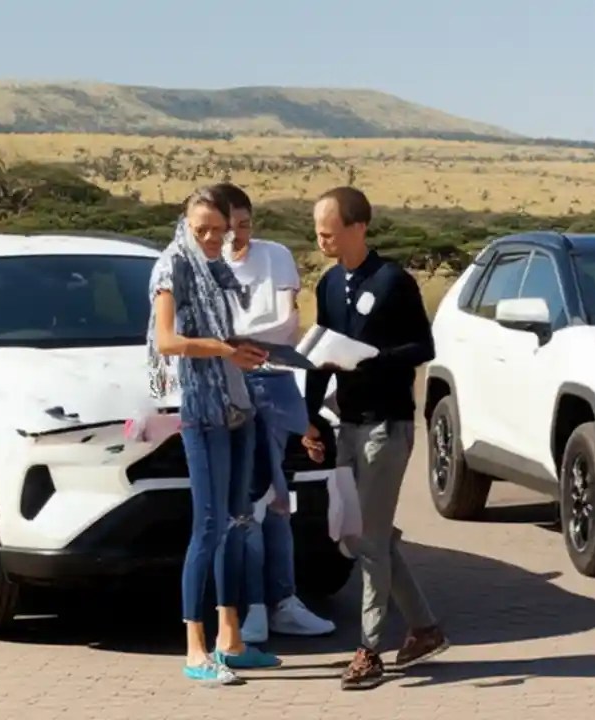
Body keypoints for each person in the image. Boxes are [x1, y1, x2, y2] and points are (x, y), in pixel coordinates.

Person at [301, 186, 450, 691]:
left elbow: (422, 346)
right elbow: (321, 351)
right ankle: (425, 628)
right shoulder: (327, 285)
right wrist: (309, 420)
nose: (321, 238)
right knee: (362, 534)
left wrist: (373, 359)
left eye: (329, 230)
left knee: (369, 541)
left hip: (388, 426)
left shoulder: (393, 282)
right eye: (318, 230)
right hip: (347, 423)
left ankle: (369, 650)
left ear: (358, 227)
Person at [147, 185, 282, 685]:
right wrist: (226, 351)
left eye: (218, 230)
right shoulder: (172, 267)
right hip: (201, 410)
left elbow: (226, 337)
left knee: (236, 522)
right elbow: (167, 340)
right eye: (200, 229)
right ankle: (195, 647)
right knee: (206, 528)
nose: (209, 238)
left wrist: (243, 350)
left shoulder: (218, 269)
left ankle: (231, 639)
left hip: (236, 405)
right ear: (185, 223)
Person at [210, 182, 337, 644]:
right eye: (229, 228)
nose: (237, 237)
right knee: (249, 504)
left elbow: (287, 324)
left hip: (272, 382)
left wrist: (233, 342)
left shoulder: (275, 256)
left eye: (244, 225)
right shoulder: (203, 263)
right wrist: (238, 346)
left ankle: (281, 602)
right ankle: (255, 606)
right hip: (227, 388)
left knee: (277, 502)